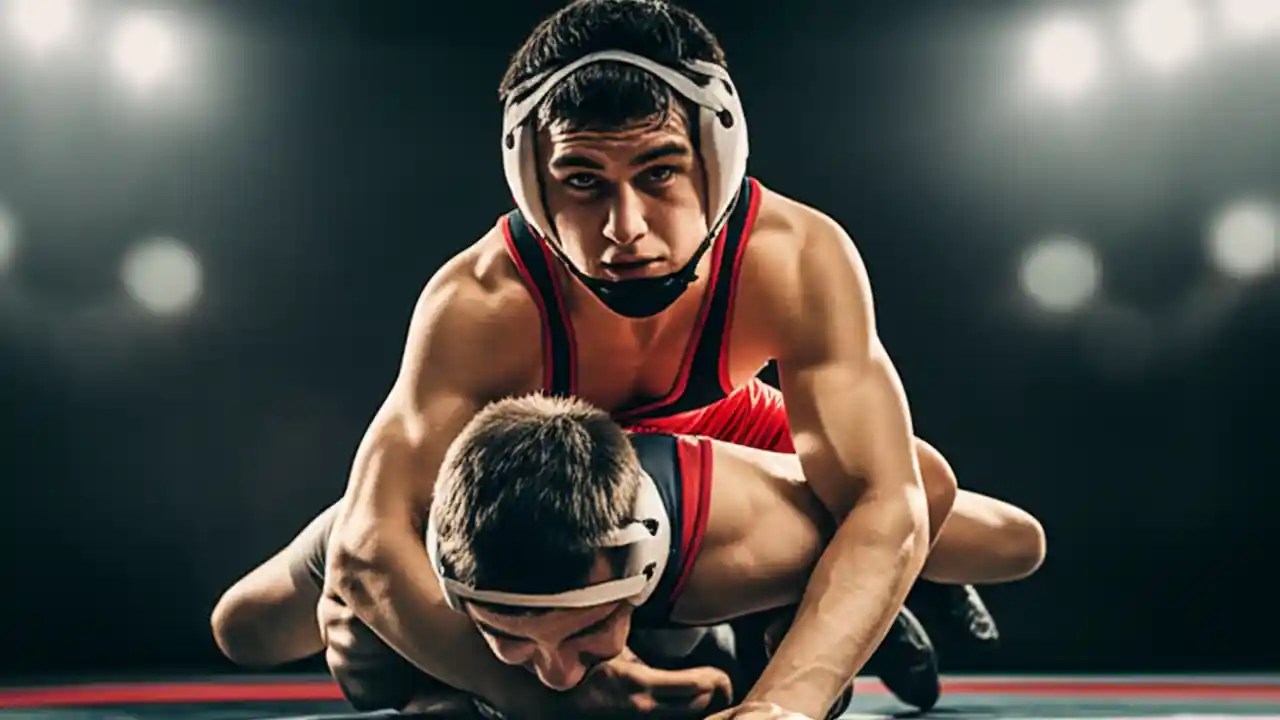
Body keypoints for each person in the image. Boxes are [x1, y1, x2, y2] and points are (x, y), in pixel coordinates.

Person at [313, 0, 1046, 717]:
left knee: (1003, 539)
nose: (624, 230)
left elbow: (889, 503)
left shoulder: (793, 258)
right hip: (557, 471)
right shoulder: (482, 301)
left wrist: (788, 701)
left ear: (717, 157)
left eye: (659, 172)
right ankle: (826, 598)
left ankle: (840, 601)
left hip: (722, 426)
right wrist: (540, 696)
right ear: (532, 180)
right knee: (269, 619)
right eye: (583, 182)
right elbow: (369, 549)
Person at [213, 394, 1044, 719]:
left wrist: (865, 566)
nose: (557, 672)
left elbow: (951, 503)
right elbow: (240, 630)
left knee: (968, 541)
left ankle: (888, 592)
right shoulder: (390, 540)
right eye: (505, 636)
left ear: (639, 576)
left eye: (584, 635)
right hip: (528, 448)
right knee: (318, 641)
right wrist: (349, 598)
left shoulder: (736, 534)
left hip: (710, 430)